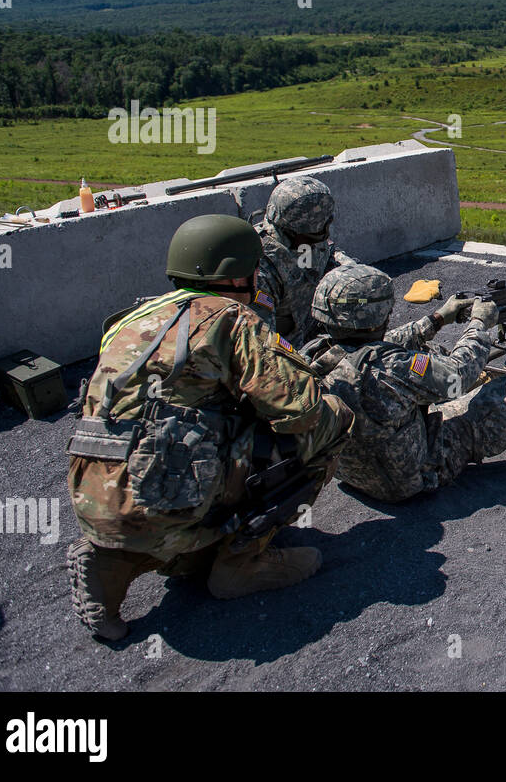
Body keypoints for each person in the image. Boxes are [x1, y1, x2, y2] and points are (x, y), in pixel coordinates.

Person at [65, 214, 354, 641]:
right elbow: (300, 410)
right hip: (169, 489)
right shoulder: (233, 319)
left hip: (97, 491)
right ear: (237, 273)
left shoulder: (128, 319)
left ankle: (117, 560)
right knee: (332, 419)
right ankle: (241, 560)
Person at [300, 264, 506, 503]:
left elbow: (371, 348)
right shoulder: (392, 369)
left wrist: (436, 319)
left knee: (432, 357)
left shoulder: (312, 355)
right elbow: (455, 375)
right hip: (417, 472)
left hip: (357, 473)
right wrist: (479, 325)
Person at [252, 175, 358, 346]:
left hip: (311, 330)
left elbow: (328, 255)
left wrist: (357, 275)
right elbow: (263, 342)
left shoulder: (303, 240)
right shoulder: (261, 269)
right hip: (287, 353)